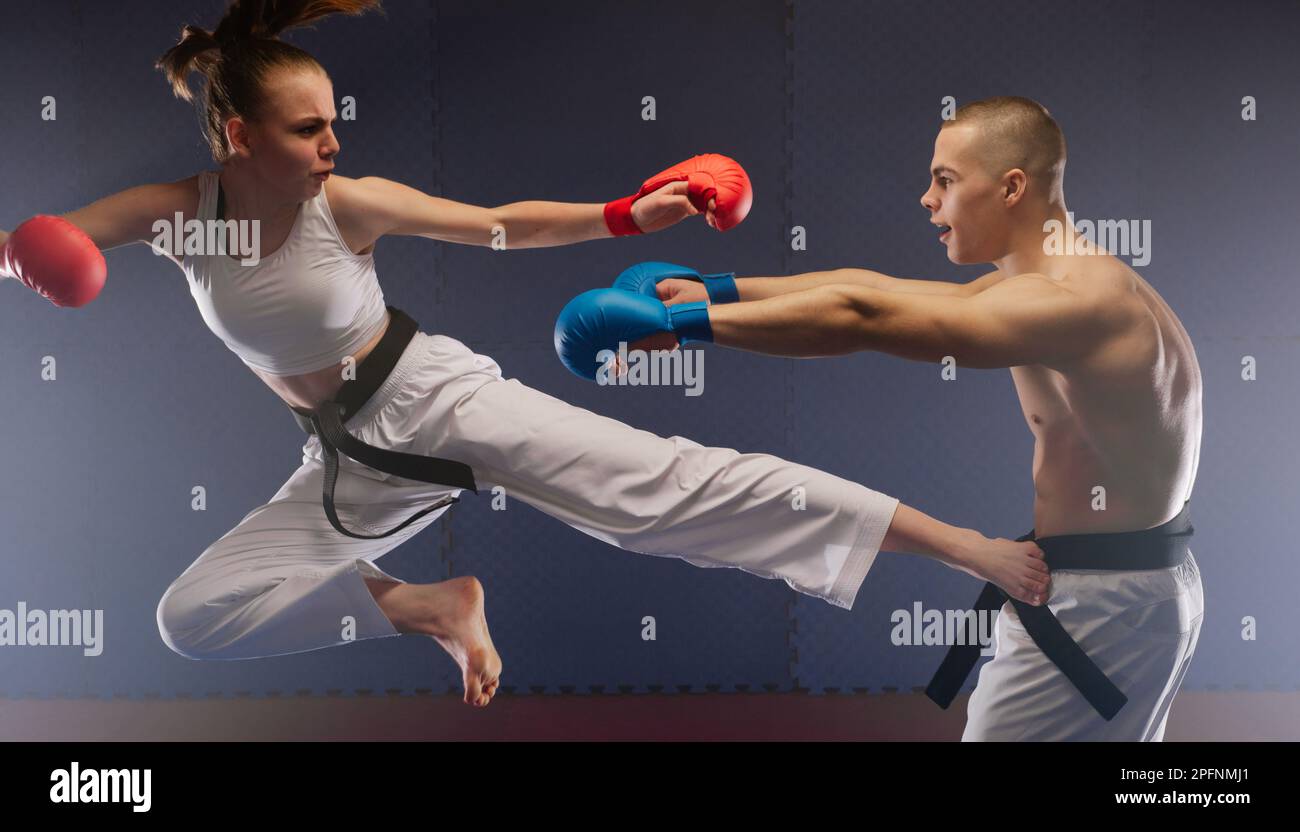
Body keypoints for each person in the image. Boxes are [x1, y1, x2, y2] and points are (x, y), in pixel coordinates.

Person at [0, 2, 1048, 710]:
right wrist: (32, 254)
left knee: (674, 491)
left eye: (333, 123)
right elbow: (49, 237)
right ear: (237, 135)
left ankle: (963, 545)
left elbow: (499, 223)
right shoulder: (182, 218)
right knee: (194, 617)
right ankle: (428, 605)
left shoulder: (345, 204)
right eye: (307, 128)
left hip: (434, 400)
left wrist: (627, 217)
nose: (332, 144)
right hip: (346, 463)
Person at [580, 96, 1203, 740]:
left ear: (1012, 186)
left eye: (946, 180)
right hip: (1127, 587)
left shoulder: (1071, 304)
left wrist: (683, 326)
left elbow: (861, 317)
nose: (927, 199)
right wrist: (715, 290)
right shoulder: (1054, 280)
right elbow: (873, 287)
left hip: (1097, 603)